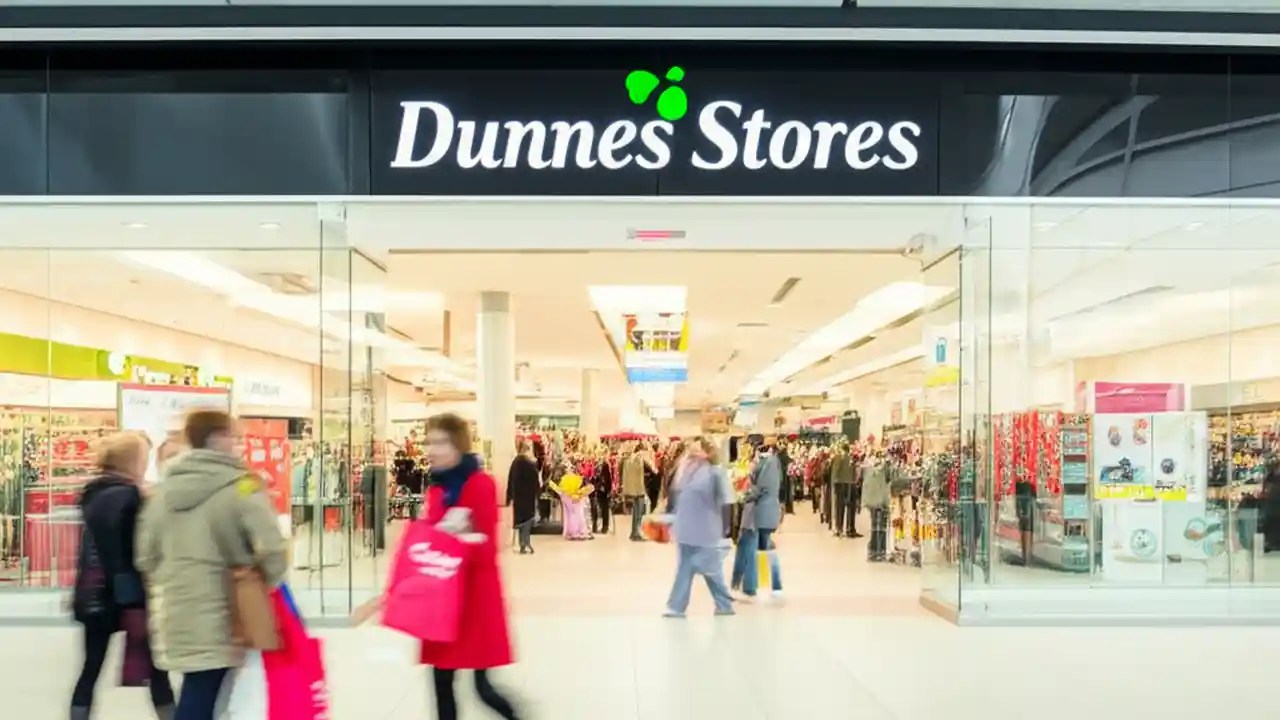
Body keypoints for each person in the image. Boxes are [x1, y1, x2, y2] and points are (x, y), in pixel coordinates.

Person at [355, 413, 519, 720]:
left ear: (458, 445)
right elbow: (425, 547)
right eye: (429, 442)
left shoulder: (480, 484)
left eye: (440, 442)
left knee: (483, 689)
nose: (431, 449)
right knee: (441, 684)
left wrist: (459, 536)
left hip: (473, 602)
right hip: (441, 601)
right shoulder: (437, 489)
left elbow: (487, 551)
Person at [135, 409, 288, 720]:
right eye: (234, 437)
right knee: (206, 694)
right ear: (218, 438)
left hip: (175, 608)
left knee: (201, 686)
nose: (238, 445)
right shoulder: (242, 485)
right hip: (228, 610)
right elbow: (272, 547)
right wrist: (263, 581)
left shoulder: (162, 492)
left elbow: (144, 556)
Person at [71, 432, 175, 720]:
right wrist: (135, 600)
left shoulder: (94, 493)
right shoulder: (129, 496)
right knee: (157, 672)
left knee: (90, 669)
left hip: (92, 594)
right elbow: (129, 552)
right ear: (132, 461)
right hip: (126, 595)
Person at [663, 438, 735, 618]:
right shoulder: (684, 470)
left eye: (696, 447)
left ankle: (724, 604)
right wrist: (670, 518)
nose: (691, 451)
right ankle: (676, 607)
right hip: (685, 528)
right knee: (685, 568)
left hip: (706, 530)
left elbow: (727, 501)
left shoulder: (715, 473)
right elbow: (675, 496)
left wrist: (727, 531)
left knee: (711, 570)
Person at [741, 440, 784, 602]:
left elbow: (762, 488)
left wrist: (745, 496)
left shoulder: (769, 464)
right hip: (765, 510)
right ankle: (766, 585)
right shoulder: (769, 463)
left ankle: (771, 585)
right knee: (763, 548)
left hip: (764, 511)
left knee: (764, 548)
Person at [507, 443, 541, 554]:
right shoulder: (529, 464)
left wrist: (510, 496)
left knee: (521, 521)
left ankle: (522, 544)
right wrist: (537, 493)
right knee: (527, 520)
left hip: (518, 497)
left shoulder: (515, 463)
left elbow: (510, 480)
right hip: (528, 497)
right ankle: (526, 543)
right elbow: (535, 481)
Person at [620, 443, 647, 541]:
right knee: (639, 513)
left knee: (635, 512)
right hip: (638, 489)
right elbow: (653, 471)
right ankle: (637, 533)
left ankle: (633, 532)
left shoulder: (626, 459)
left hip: (631, 489)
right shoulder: (638, 459)